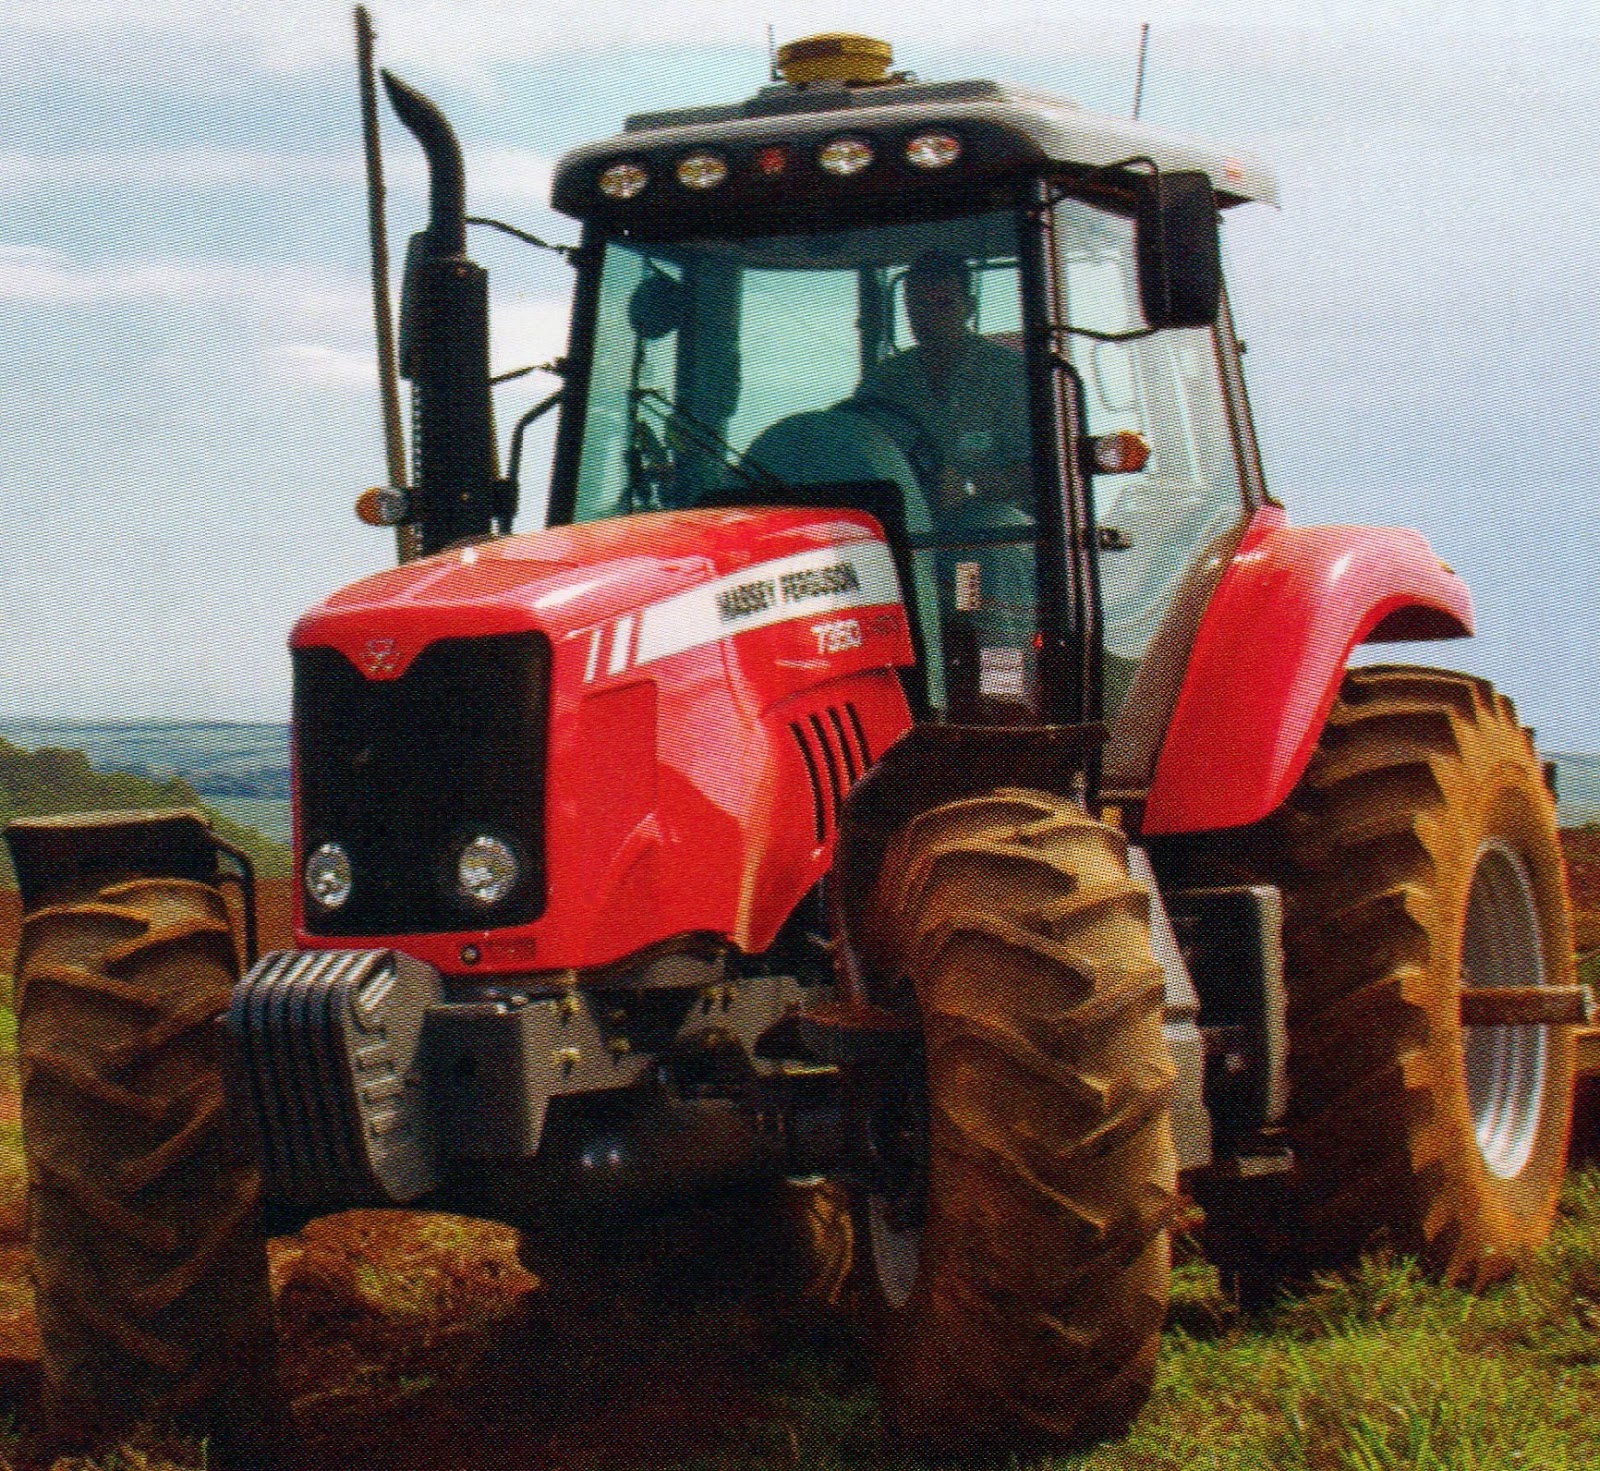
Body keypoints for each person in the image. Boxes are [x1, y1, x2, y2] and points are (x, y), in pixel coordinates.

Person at [852, 250, 1031, 512]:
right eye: (918, 305)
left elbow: (1044, 470)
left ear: (969, 307)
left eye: (944, 303)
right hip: (908, 532)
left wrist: (968, 486)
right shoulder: (883, 383)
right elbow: (860, 457)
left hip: (1001, 535)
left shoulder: (1012, 375)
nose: (929, 316)